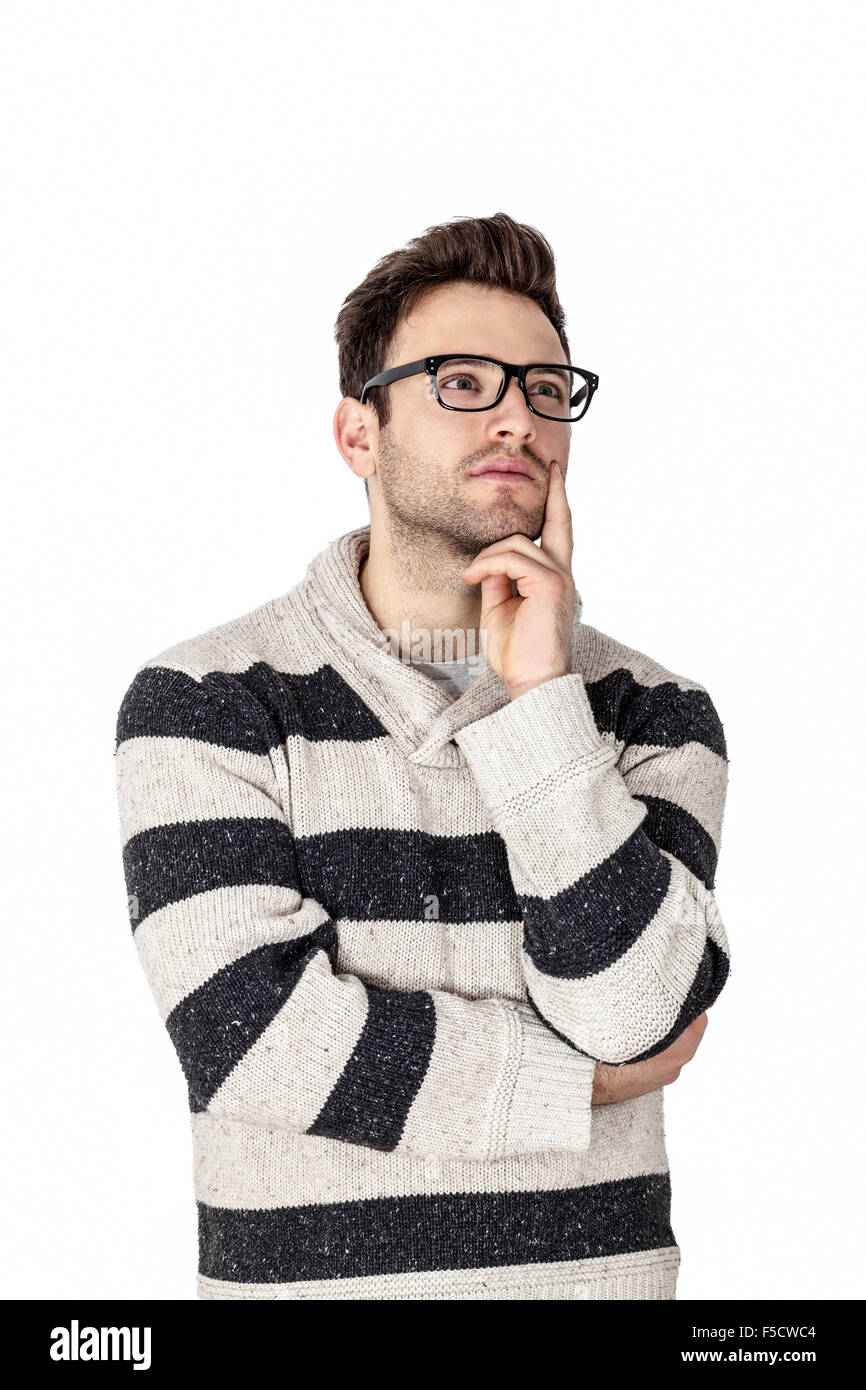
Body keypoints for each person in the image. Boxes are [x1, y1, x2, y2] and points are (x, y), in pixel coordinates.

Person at [114, 211, 730, 1301]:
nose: (515, 417)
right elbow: (251, 1041)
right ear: (358, 434)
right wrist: (576, 1085)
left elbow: (637, 1010)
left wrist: (540, 700)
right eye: (461, 382)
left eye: (546, 389)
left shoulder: (651, 710)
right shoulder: (205, 702)